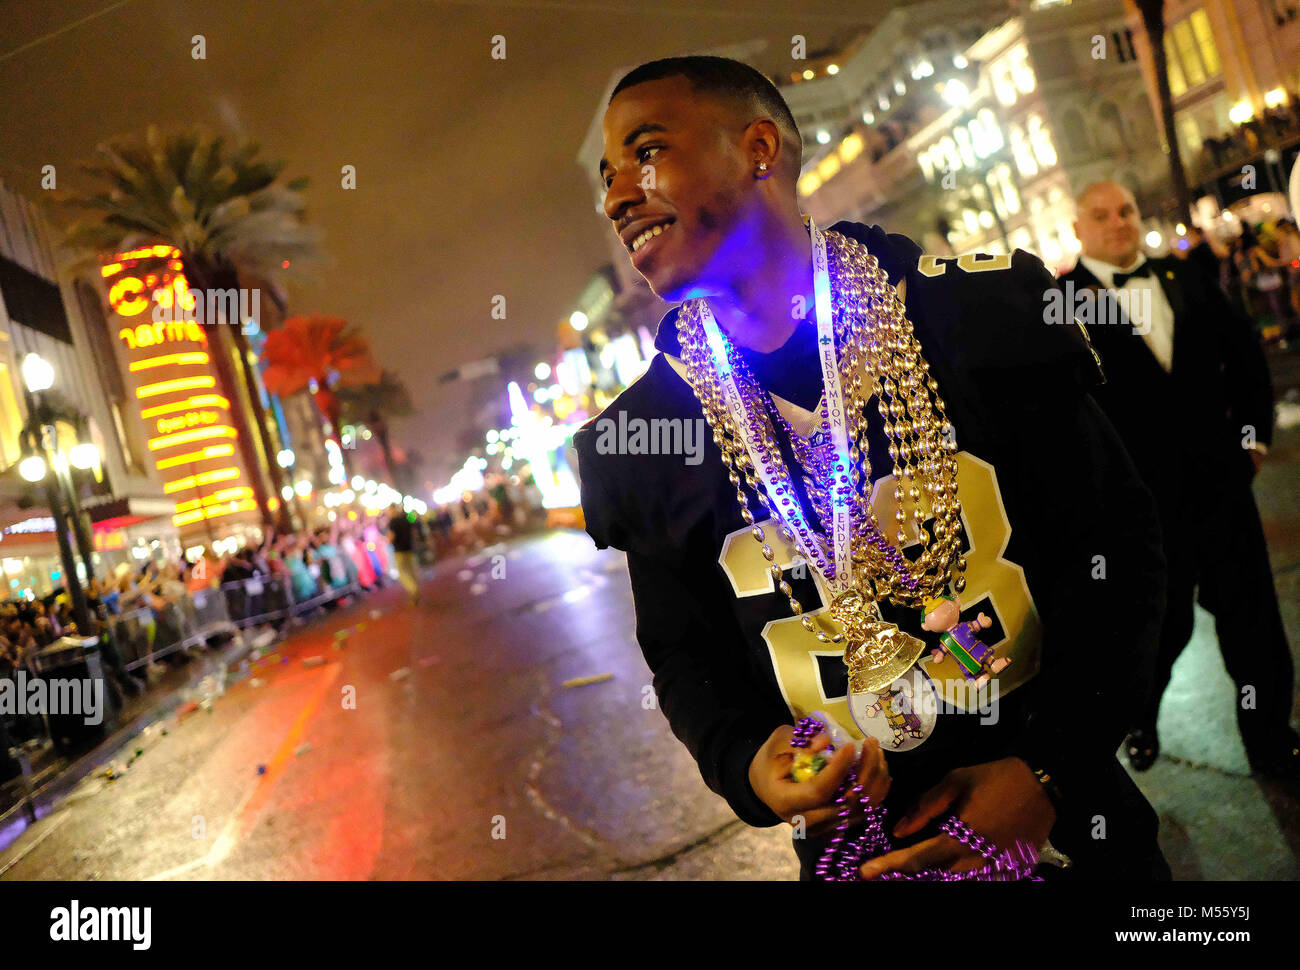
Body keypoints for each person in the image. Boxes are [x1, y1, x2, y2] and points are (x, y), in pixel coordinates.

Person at [574, 56, 1169, 880]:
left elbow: (1120, 546)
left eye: (644, 155)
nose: (615, 198)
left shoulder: (973, 316)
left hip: (1070, 821)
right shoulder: (646, 433)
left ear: (757, 147)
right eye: (605, 179)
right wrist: (750, 759)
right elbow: (683, 655)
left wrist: (1049, 769)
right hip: (861, 853)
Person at [1062, 180, 1297, 779]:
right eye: (1101, 214)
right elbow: (1059, 415)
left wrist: (1253, 439)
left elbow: (1245, 357)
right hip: (1138, 508)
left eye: (1127, 210)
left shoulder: (1184, 276)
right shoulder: (1058, 303)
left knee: (1254, 623)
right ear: (1077, 230)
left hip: (1220, 486)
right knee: (1160, 628)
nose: (1118, 222)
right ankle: (1138, 714)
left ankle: (1271, 743)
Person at [386, 505, 419, 605]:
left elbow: (392, 537)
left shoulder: (392, 522)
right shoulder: (406, 519)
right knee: (411, 571)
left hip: (399, 551)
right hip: (409, 548)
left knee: (403, 573)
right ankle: (415, 588)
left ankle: (413, 589)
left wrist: (387, 541)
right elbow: (414, 532)